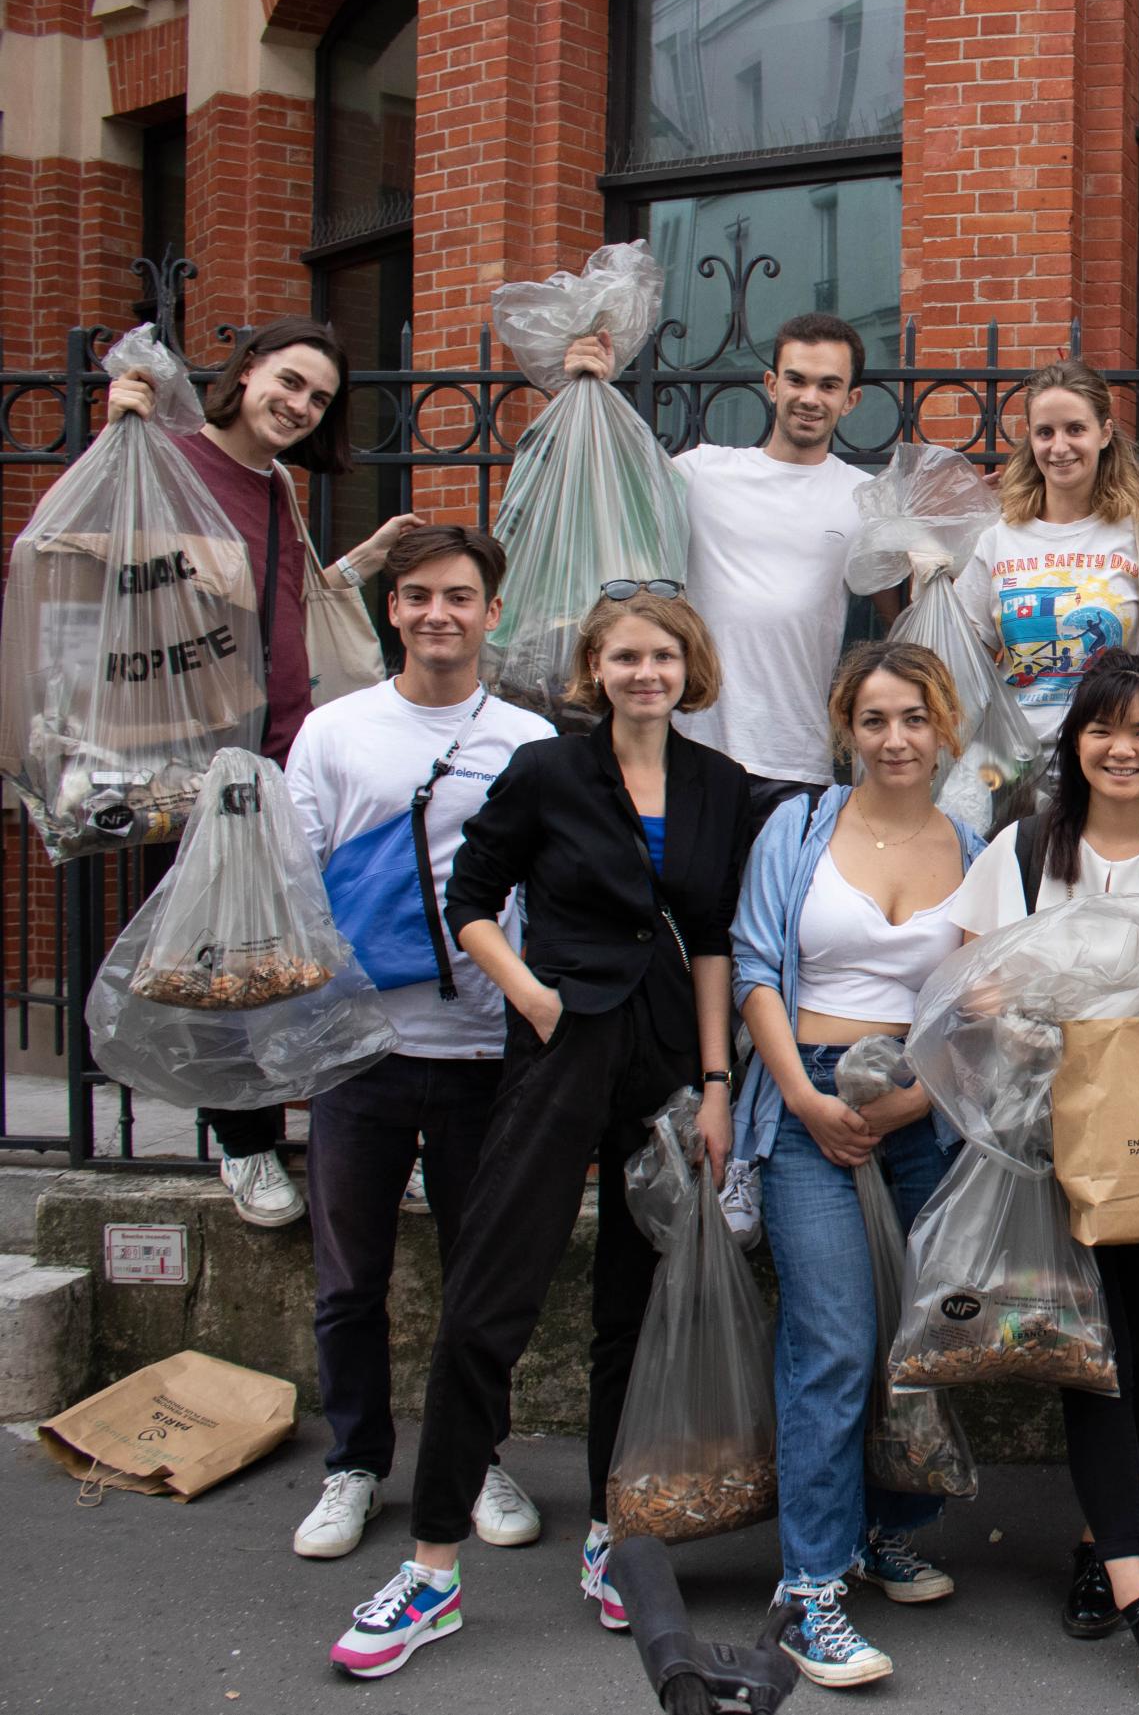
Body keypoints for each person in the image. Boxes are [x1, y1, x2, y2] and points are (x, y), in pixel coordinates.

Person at [328, 585, 754, 1680]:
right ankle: (431, 1569)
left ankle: (615, 1534)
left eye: (662, 655)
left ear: (688, 666)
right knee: (487, 1300)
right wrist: (532, 995)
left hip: (665, 1059)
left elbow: (711, 938)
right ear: (594, 669)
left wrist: (715, 1081)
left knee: (632, 1305)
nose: (643, 673)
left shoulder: (716, 783)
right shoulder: (548, 771)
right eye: (623, 656)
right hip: (561, 1049)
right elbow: (471, 898)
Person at [944, 652, 1139, 1696]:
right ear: (1073, 740)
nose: (1123, 749)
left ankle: (1091, 1540)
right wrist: (1005, 1004)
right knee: (1091, 1346)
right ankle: (1132, 1585)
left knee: (1132, 1339)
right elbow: (961, 984)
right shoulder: (1026, 850)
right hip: (1037, 1135)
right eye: (1103, 729)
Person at [284, 524, 555, 1564]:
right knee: (348, 1275)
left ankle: (474, 1454)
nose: (436, 613)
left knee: (476, 1273)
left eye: (458, 595)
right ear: (389, 610)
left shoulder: (530, 739)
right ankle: (353, 1461)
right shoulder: (335, 731)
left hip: (489, 1051)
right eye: (416, 596)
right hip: (358, 1050)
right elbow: (294, 884)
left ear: (494, 612)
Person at [105, 315, 410, 1228]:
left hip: (283, 741)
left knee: (284, 952)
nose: (300, 405)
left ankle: (286, 1126)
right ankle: (242, 1143)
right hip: (198, 753)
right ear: (244, 374)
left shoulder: (274, 483)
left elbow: (287, 603)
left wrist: (366, 559)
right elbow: (79, 553)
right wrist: (116, 427)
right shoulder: (166, 461)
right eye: (289, 382)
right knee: (219, 952)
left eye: (317, 397)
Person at [729, 642, 988, 1688]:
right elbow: (754, 963)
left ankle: (889, 1528)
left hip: (923, 1107)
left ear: (943, 729)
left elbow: (979, 1000)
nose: (894, 738)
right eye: (874, 719)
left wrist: (918, 1098)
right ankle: (809, 1587)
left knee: (914, 1334)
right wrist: (802, 1096)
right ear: (846, 727)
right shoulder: (794, 829)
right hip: (810, 1096)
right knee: (832, 1339)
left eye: (913, 718)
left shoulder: (972, 844)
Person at [564, 313, 875, 823]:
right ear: (772, 385)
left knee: (777, 906)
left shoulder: (864, 498)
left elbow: (901, 615)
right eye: (796, 379)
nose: (810, 398)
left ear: (851, 399)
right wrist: (591, 389)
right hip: (688, 745)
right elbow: (606, 487)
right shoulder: (702, 471)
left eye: (829, 385)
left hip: (795, 760)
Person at [955, 361, 1139, 744]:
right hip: (1018, 765)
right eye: (1045, 432)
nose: (1059, 447)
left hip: (1118, 757)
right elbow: (964, 659)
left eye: (1075, 429)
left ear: (1104, 433)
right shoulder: (996, 536)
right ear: (1031, 439)